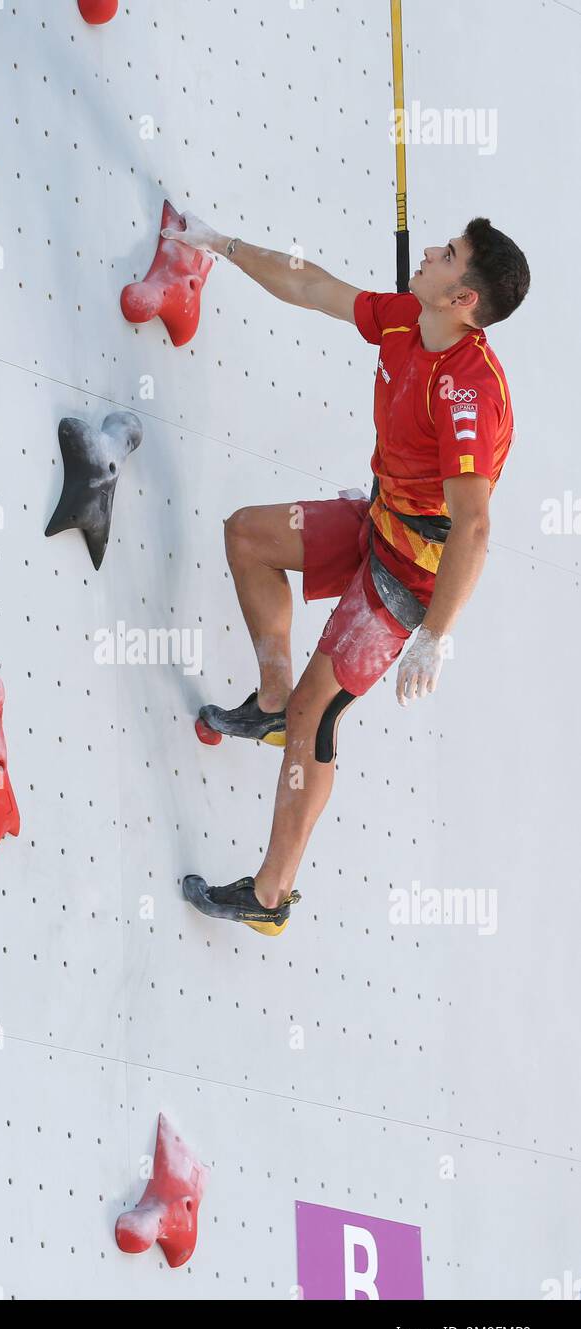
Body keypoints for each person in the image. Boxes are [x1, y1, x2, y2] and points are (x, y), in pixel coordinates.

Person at [165, 214, 530, 935]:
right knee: (248, 536)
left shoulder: (469, 394)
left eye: (448, 254)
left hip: (409, 578)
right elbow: (311, 286)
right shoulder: (406, 318)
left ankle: (270, 897)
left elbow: (475, 527)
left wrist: (434, 636)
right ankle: (272, 699)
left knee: (319, 714)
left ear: (463, 300)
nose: (431, 250)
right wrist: (221, 245)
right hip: (380, 518)